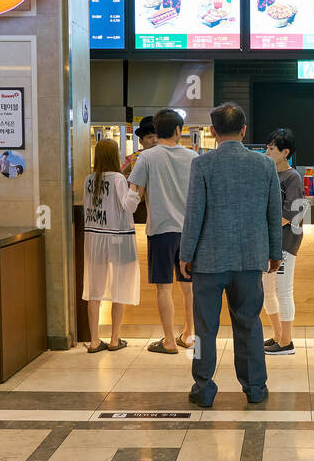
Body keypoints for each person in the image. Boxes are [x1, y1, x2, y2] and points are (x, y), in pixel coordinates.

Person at [179, 103, 281, 407]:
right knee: (249, 324)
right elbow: (273, 214)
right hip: (250, 260)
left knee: (203, 330)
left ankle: (203, 387)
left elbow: (194, 214)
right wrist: (274, 252)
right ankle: (255, 388)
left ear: (213, 131)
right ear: (244, 130)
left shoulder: (202, 164)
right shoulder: (265, 165)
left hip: (208, 261)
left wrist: (186, 254)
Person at [128, 107, 198, 354]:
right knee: (189, 287)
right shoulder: (193, 157)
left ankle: (169, 340)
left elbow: (134, 194)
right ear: (178, 130)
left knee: (163, 287)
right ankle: (189, 334)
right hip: (188, 231)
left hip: (160, 230)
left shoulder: (147, 157)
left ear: (156, 132)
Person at [83, 138, 141, 353]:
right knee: (119, 288)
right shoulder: (118, 178)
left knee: (94, 291)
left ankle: (94, 341)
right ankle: (115, 339)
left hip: (94, 238)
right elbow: (129, 206)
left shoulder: (89, 179)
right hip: (118, 237)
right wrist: (135, 187)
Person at [261, 127, 305, 356]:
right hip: (268, 242)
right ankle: (278, 335)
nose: (267, 152)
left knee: (283, 290)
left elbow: (291, 213)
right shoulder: (268, 174)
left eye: (271, 148)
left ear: (285, 152)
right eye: (267, 148)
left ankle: (287, 342)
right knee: (267, 290)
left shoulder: (292, 177)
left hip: (286, 242)